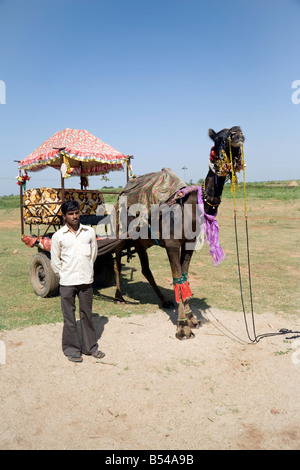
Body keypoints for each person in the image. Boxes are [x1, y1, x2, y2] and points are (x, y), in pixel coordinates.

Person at [50, 199, 105, 362]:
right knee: (69, 317)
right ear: (64, 216)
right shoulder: (58, 236)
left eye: (76, 213)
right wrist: (65, 274)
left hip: (86, 282)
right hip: (67, 283)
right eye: (70, 214)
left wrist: (85, 270)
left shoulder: (89, 232)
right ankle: (71, 349)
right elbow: (55, 261)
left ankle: (90, 347)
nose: (74, 216)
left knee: (86, 315)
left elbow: (93, 255)